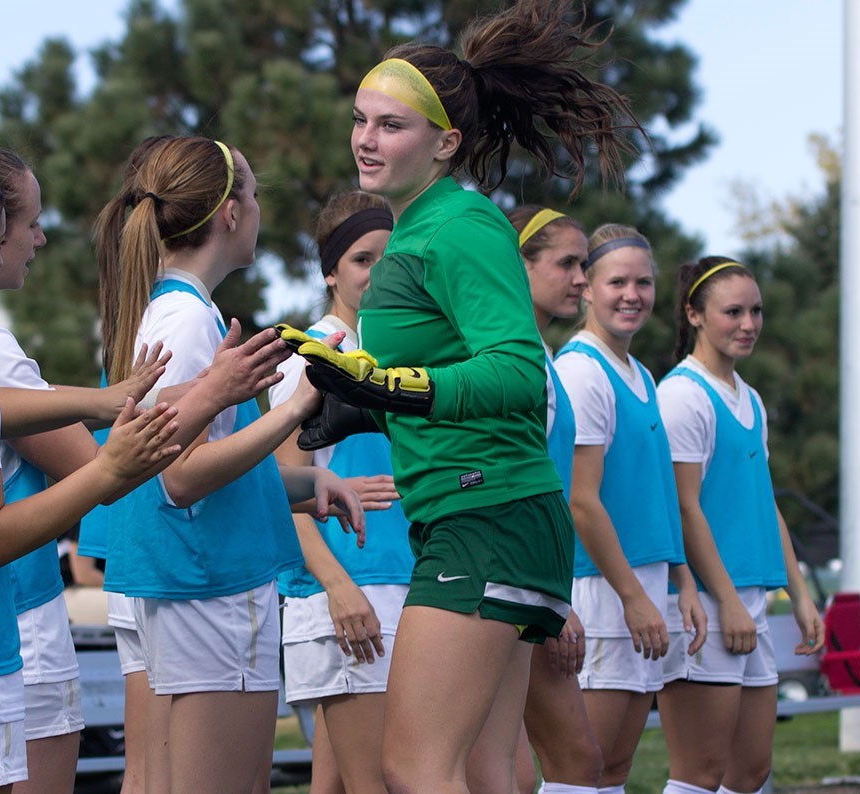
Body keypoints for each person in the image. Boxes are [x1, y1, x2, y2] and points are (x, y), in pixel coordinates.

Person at [286, 2, 642, 789]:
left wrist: (395, 387)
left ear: (445, 143)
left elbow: (518, 371)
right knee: (486, 773)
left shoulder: (460, 226)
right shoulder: (414, 231)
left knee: (413, 767)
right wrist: (356, 403)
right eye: (360, 120)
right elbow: (440, 372)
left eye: (391, 125)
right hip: (475, 512)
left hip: (488, 512)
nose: (366, 139)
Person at [93, 135, 364, 794]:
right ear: (230, 214)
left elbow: (201, 467)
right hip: (210, 587)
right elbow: (181, 476)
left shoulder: (178, 310)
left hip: (195, 583)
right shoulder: (188, 320)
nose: (260, 210)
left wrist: (304, 482)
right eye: (255, 194)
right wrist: (296, 407)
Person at [0, 159, 182, 794]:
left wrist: (101, 402)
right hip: (14, 621)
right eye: (26, 224)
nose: (38, 239)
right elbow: (99, 470)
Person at [656, 256, 823, 794]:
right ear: (694, 314)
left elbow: (764, 503)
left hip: (749, 599)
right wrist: (725, 601)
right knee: (699, 773)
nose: (749, 324)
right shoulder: (682, 396)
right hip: (704, 604)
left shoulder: (749, 397)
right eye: (733, 312)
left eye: (756, 311)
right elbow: (684, 508)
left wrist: (800, 595)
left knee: (750, 772)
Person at [555, 225, 706, 794]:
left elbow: (658, 497)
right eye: (617, 281)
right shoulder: (582, 370)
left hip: (640, 585)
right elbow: (581, 500)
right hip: (601, 590)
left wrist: (680, 582)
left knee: (613, 769)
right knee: (579, 770)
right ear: (588, 287)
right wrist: (633, 597)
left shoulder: (640, 373)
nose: (631, 295)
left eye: (643, 282)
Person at [270, 190, 407, 794]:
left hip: (395, 589)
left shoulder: (391, 352)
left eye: (389, 258)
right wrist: (340, 588)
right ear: (330, 271)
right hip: (348, 599)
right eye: (362, 259)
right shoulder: (310, 357)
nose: (377, 273)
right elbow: (282, 492)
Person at [499, 205, 603, 794]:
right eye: (567, 264)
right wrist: (553, 603)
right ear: (519, 265)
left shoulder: (540, 355)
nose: (581, 279)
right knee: (566, 763)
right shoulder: (513, 356)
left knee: (559, 765)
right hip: (509, 583)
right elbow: (515, 486)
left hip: (524, 582)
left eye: (583, 265)